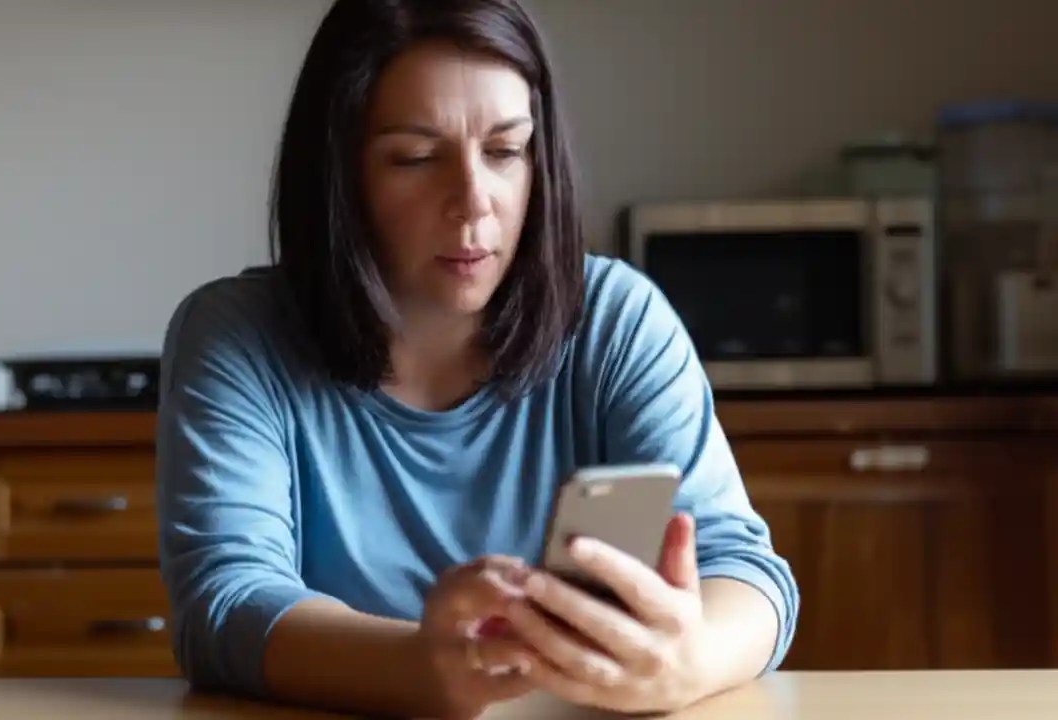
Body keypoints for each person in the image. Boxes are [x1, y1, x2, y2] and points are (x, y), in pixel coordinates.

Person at [155, 0, 799, 717]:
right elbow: (225, 605)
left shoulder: (618, 320)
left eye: (504, 152)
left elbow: (743, 572)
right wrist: (421, 669)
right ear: (340, 177)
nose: (473, 203)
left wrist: (687, 663)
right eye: (417, 158)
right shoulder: (236, 336)